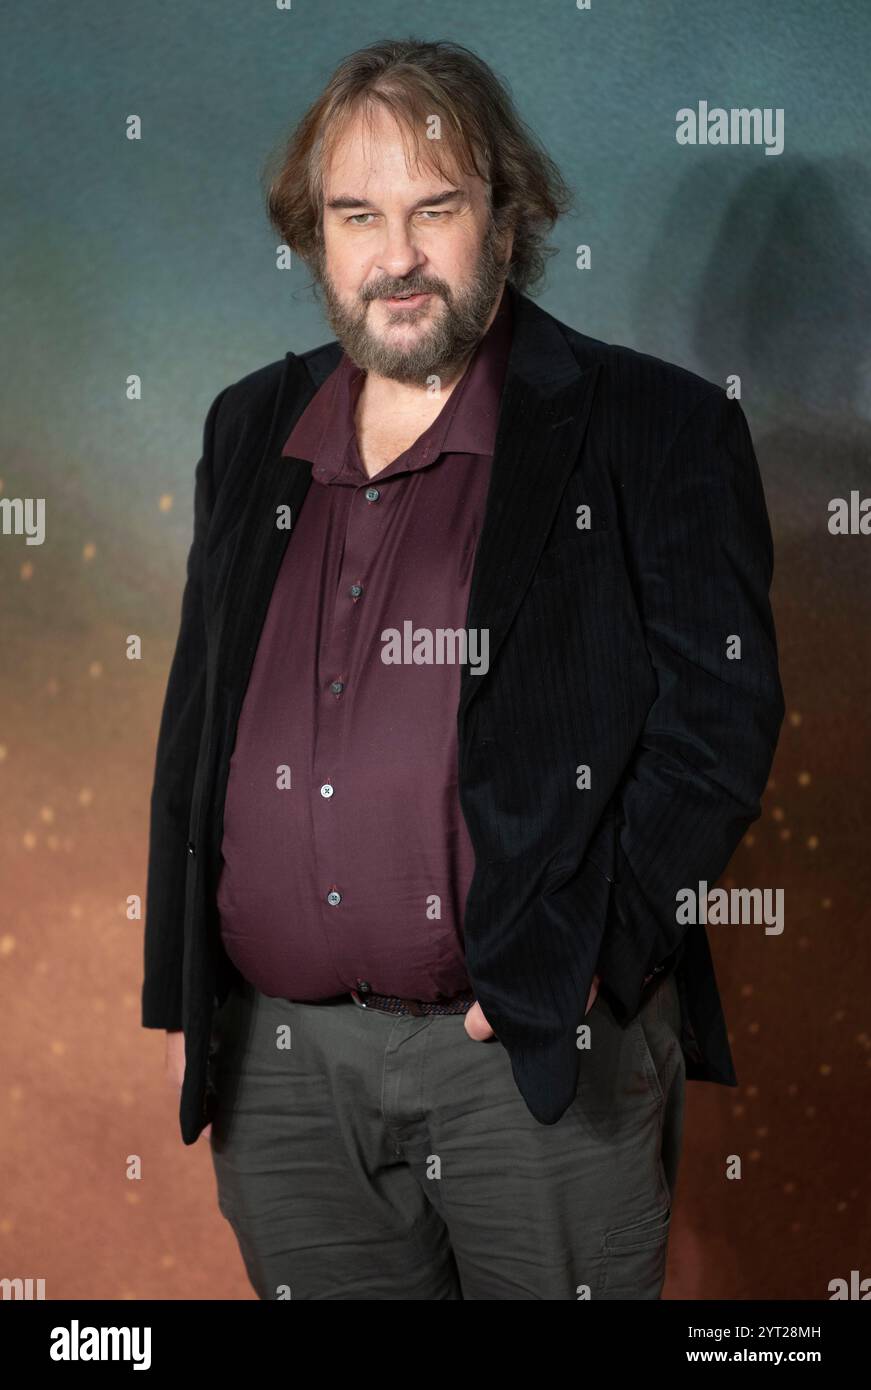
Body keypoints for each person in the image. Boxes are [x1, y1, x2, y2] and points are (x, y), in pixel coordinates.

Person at [144, 37, 784, 1300]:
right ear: (314, 236)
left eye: (435, 208)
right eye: (357, 215)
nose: (396, 256)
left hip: (527, 1063)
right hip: (284, 1074)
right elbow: (200, 725)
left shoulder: (648, 426)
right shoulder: (248, 425)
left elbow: (719, 718)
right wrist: (188, 994)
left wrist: (593, 954)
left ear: (507, 211)